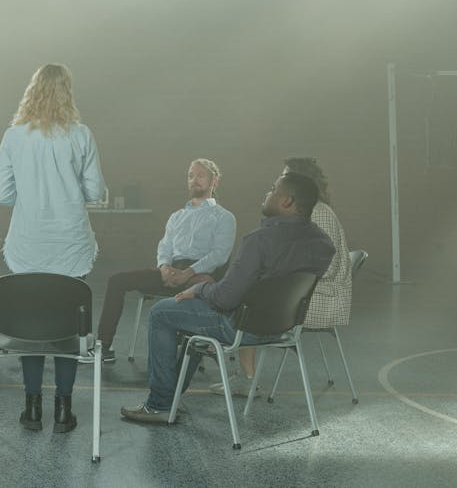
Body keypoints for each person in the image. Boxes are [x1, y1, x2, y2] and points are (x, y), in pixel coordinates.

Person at [120, 172, 335, 423]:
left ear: (287, 201)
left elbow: (224, 300)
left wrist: (199, 289)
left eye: (272, 189)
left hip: (243, 327)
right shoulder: (323, 243)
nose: (268, 193)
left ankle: (159, 405)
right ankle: (171, 397)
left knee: (162, 311)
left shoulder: (259, 241)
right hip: (283, 328)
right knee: (190, 317)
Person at [0, 63, 106, 433]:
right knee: (67, 327)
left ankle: (32, 407)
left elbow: (1, 194)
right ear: (67, 92)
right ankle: (63, 408)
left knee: (31, 327)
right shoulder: (81, 135)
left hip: (27, 245)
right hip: (71, 245)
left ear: (32, 90)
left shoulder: (13, 136)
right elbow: (94, 192)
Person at [210, 157, 353, 396]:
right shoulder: (312, 212)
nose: (279, 186)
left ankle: (244, 375)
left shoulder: (318, 213)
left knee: (250, 298)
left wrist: (276, 276)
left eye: (285, 179)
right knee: (252, 290)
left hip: (320, 300)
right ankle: (240, 367)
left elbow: (327, 267)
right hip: (310, 292)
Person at [96, 159, 236, 362]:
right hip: (171, 269)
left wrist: (187, 273)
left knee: (203, 286)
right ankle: (103, 347)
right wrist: (164, 267)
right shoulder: (176, 216)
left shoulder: (224, 217)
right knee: (117, 280)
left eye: (200, 176)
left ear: (214, 181)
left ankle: (196, 346)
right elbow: (165, 245)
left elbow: (219, 255)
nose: (194, 180)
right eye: (190, 176)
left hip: (199, 274)